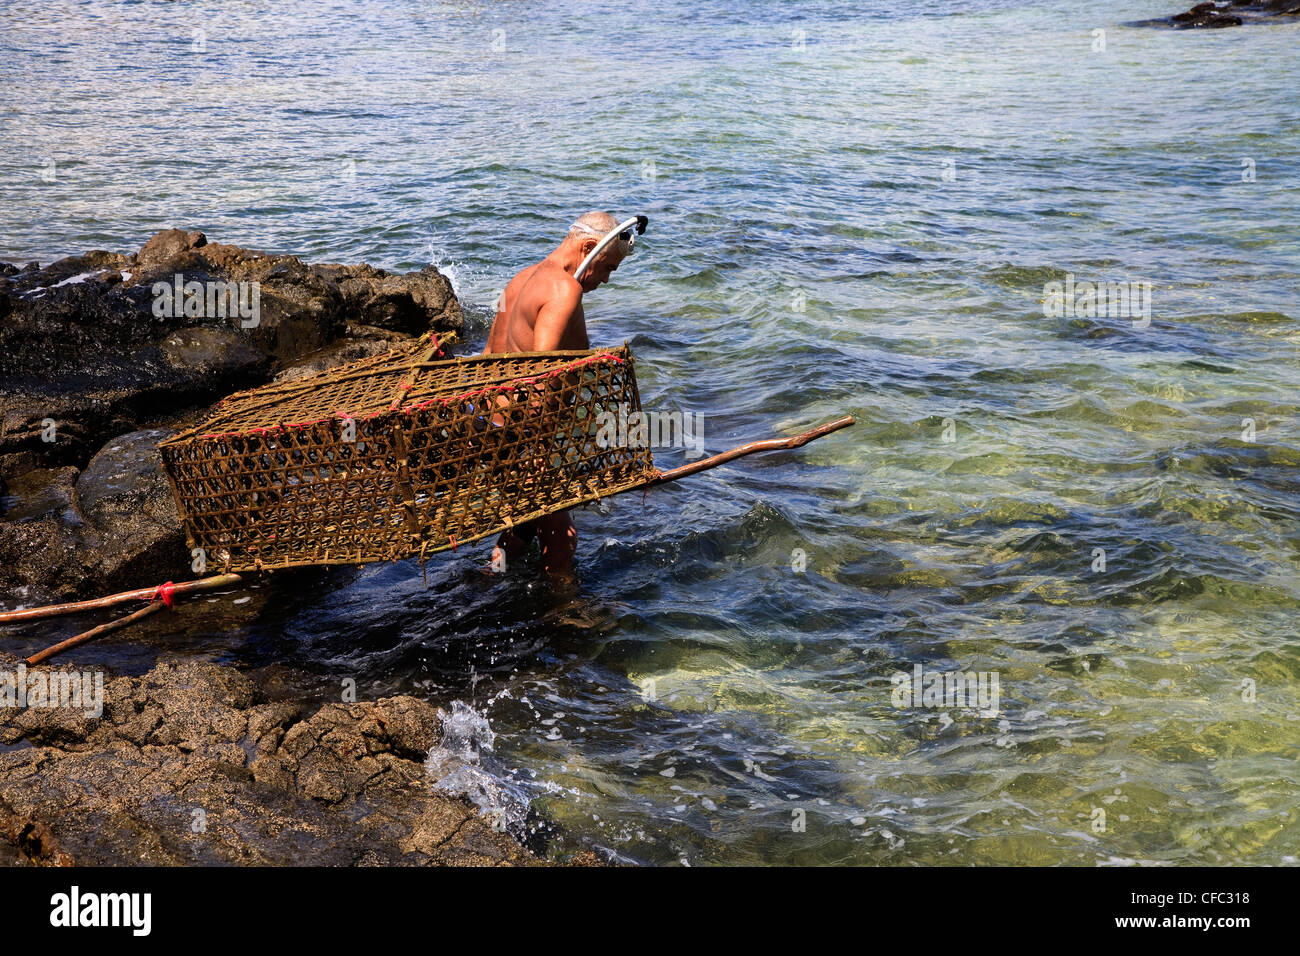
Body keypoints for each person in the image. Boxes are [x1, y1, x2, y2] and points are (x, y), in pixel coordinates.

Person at [483, 211, 634, 576]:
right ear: (586, 248)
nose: (608, 279)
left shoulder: (521, 280)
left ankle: (488, 580)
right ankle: (564, 623)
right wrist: (539, 450)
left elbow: (488, 358)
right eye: (608, 267)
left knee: (522, 525)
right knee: (562, 541)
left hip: (497, 431)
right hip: (526, 436)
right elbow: (541, 376)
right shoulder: (565, 290)